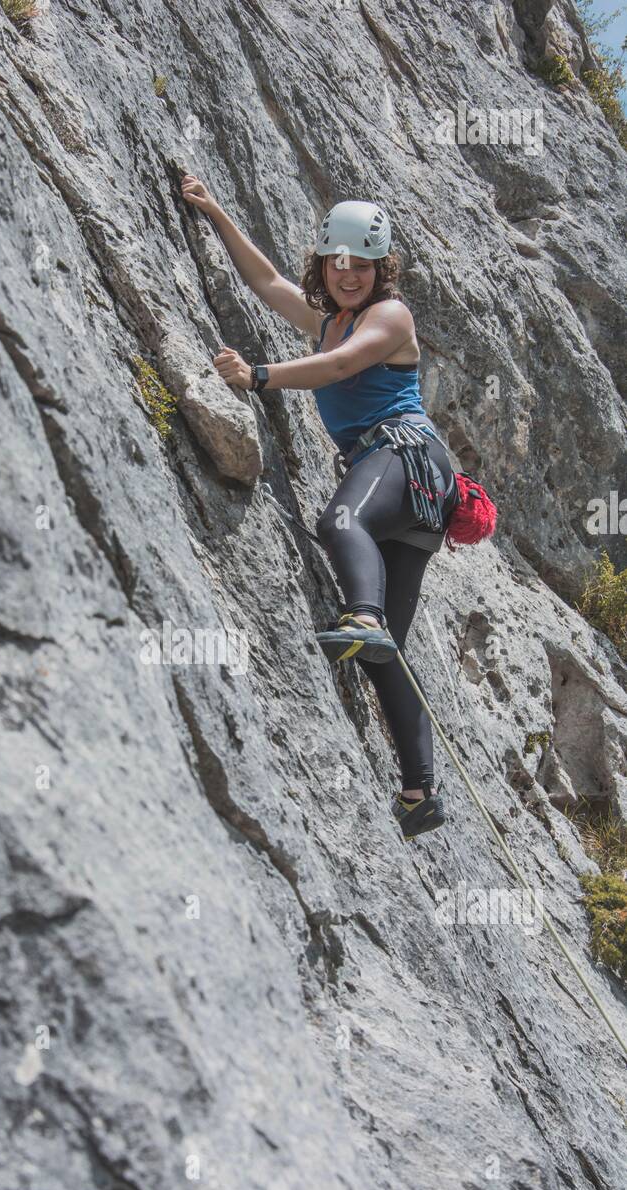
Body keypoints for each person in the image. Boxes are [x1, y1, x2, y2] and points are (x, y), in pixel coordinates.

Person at [181, 175, 456, 838]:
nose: (349, 275)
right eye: (339, 263)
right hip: (408, 488)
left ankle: (360, 611)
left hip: (406, 457)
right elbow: (269, 282)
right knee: (381, 649)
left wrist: (258, 377)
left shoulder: (388, 318)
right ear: (326, 264)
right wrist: (216, 211)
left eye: (361, 265)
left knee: (339, 520)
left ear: (379, 269)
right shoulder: (328, 318)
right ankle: (421, 792)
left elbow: (338, 369)